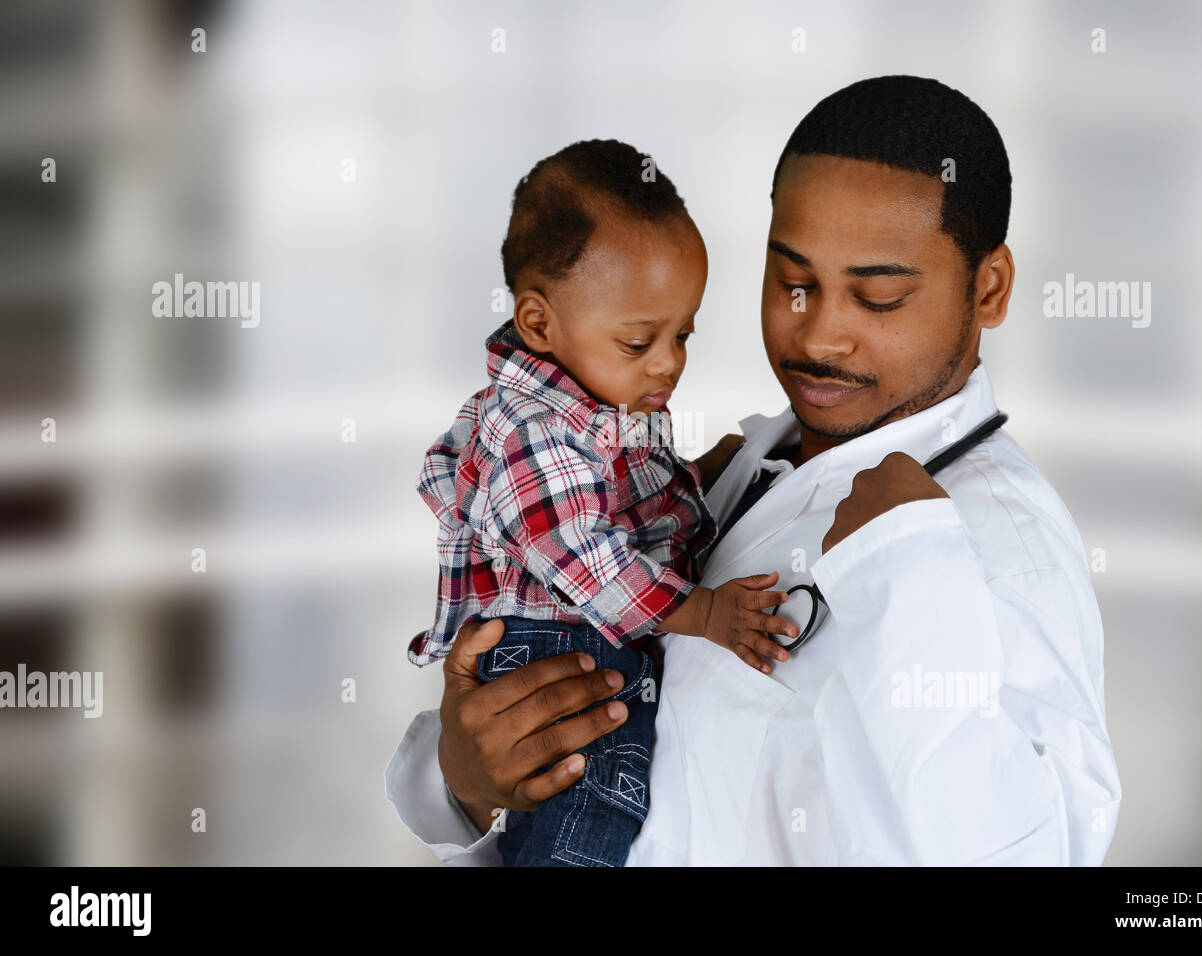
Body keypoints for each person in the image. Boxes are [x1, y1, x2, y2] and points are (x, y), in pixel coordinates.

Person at [387, 76, 1122, 865]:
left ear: (990, 288)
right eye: (793, 283)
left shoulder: (999, 547)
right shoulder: (737, 469)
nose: (822, 336)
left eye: (876, 298)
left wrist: (913, 561)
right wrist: (457, 786)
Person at [407, 139, 796, 866]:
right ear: (538, 323)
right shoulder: (536, 430)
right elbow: (592, 562)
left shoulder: (600, 401)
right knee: (590, 820)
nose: (669, 361)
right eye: (640, 339)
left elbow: (627, 497)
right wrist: (707, 613)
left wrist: (701, 474)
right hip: (565, 652)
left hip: (586, 644)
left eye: (683, 334)